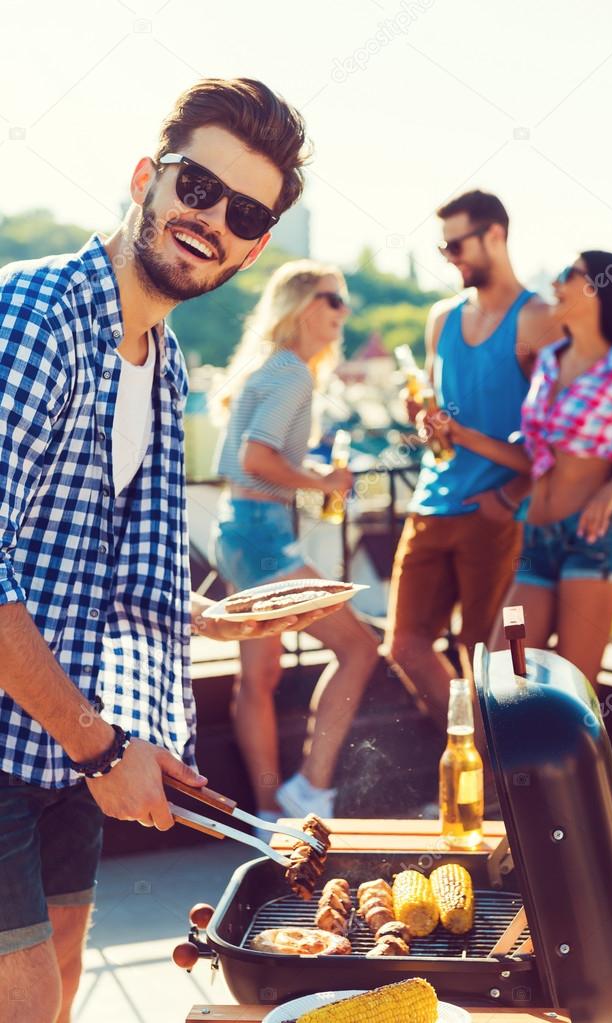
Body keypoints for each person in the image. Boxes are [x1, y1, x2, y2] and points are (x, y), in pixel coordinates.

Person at [0, 78, 348, 1023]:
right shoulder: (39, 319)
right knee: (26, 998)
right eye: (197, 187)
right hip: (51, 732)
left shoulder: (166, 365)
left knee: (65, 973)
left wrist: (197, 620)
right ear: (146, 178)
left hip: (53, 734)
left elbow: (88, 556)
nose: (211, 222)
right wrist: (102, 744)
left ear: (258, 243)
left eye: (242, 212)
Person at [442, 251, 612, 687]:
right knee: (501, 686)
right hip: (536, 540)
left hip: (591, 545)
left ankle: (579, 761)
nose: (554, 283)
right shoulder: (550, 360)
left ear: (596, 289)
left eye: (566, 274)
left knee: (573, 703)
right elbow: (538, 457)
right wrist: (460, 434)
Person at [211, 260, 379, 827]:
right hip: (262, 535)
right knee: (359, 648)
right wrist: (325, 482)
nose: (342, 313)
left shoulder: (270, 367)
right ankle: (311, 788)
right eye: (334, 300)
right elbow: (259, 459)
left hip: (237, 528)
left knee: (257, 678)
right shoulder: (294, 375)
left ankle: (266, 813)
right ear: (304, 306)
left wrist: (304, 474)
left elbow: (249, 461)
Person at [386, 190, 558, 729]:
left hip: (498, 515)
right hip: (432, 504)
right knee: (405, 645)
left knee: (488, 656)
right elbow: (442, 416)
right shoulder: (441, 319)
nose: (449, 257)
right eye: (442, 247)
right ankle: (474, 757)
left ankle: (496, 784)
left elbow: (556, 442)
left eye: (456, 244)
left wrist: (509, 497)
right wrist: (423, 416)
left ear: (495, 236)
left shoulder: (538, 320)